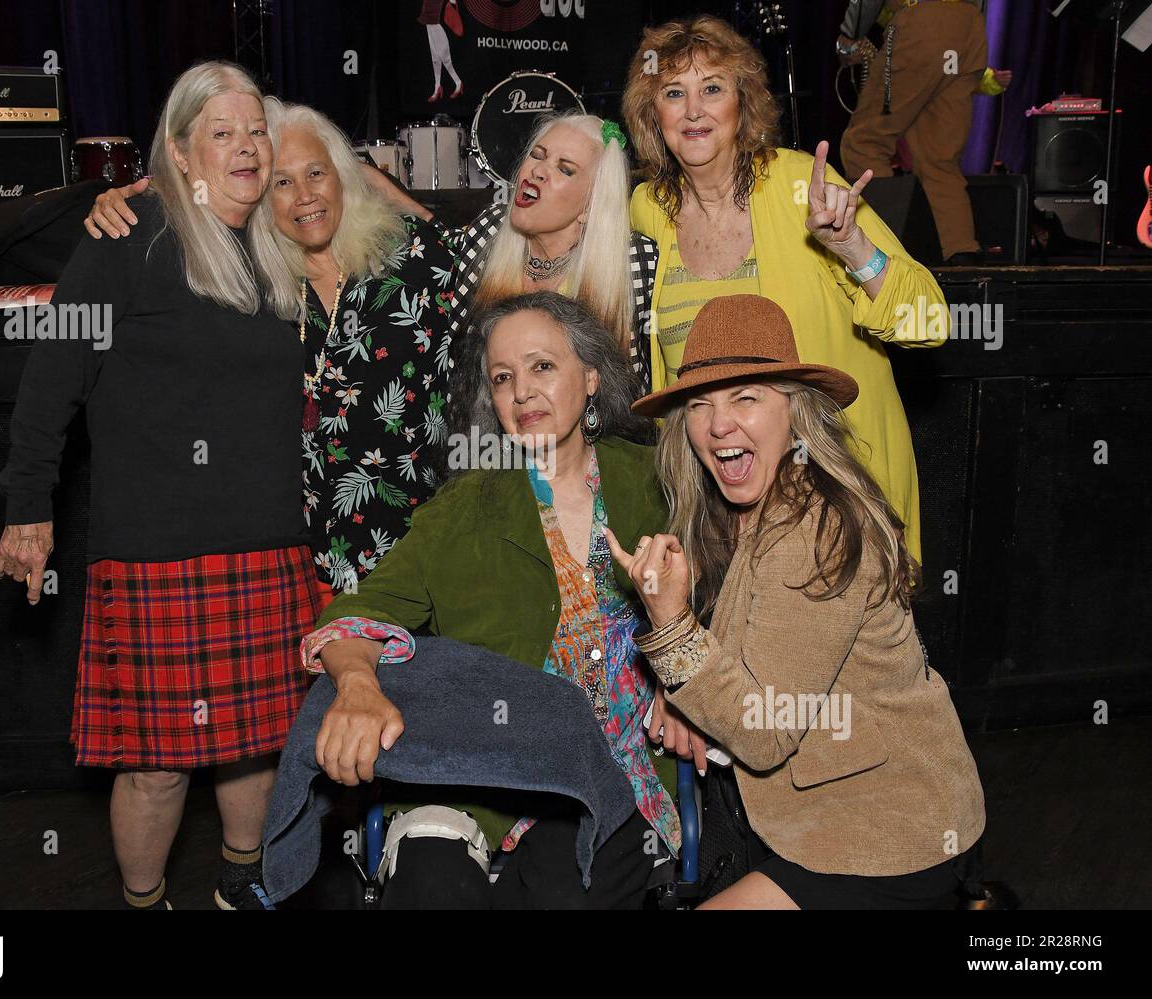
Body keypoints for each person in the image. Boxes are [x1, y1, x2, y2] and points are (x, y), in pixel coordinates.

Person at [0, 61, 322, 910]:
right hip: (155, 555)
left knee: (257, 746)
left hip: (269, 544)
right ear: (179, 152)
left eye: (257, 128)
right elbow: (49, 379)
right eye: (223, 132)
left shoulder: (283, 240)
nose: (247, 146)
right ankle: (145, 904)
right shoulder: (129, 234)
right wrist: (28, 508)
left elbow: (391, 210)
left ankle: (237, 890)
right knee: (156, 763)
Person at [302, 292, 693, 909]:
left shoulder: (661, 477)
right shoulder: (465, 508)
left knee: (568, 889)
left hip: (618, 773)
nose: (521, 393)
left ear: (590, 377)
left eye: (542, 367)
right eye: (503, 378)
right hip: (498, 768)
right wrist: (356, 687)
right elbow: (357, 615)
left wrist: (683, 684)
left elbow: (733, 592)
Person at [612, 293, 986, 910]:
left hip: (885, 834)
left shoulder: (814, 528)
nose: (718, 423)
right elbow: (742, 661)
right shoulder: (735, 513)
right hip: (802, 821)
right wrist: (681, 690)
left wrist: (671, 626)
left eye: (746, 397)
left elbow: (764, 730)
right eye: (700, 405)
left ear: (796, 410)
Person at [85, 101, 458, 598]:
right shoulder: (251, 284)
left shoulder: (410, 255)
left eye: (317, 173)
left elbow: (490, 269)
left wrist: (383, 185)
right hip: (299, 563)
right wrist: (111, 202)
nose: (305, 196)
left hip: (420, 550)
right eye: (281, 182)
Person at [622, 14, 947, 564]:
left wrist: (851, 248)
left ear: (742, 103)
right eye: (674, 92)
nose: (695, 110)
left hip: (834, 497)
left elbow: (930, 321)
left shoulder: (800, 184)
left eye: (713, 89)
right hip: (718, 510)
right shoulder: (649, 209)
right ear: (653, 113)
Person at [368, 111, 659, 397]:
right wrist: (372, 180)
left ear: (591, 206)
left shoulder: (633, 261)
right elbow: (444, 244)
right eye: (538, 155)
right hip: (489, 438)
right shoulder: (490, 231)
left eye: (565, 169)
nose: (539, 170)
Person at [837, 0, 993, 264]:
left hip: (923, 20)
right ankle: (960, 254)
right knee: (940, 158)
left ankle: (881, 253)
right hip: (969, 26)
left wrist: (849, 36)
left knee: (865, 144)